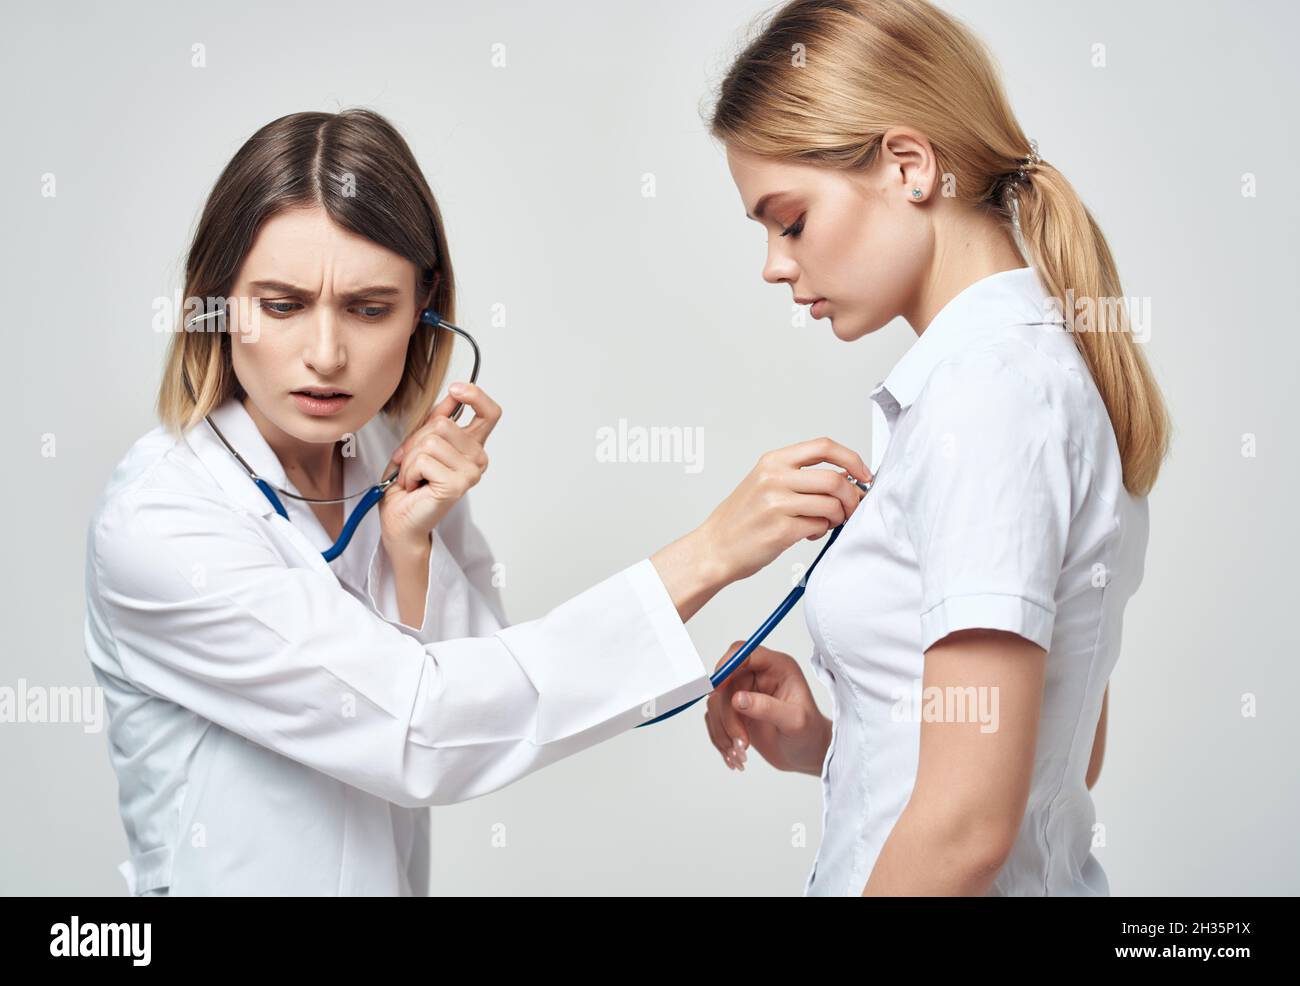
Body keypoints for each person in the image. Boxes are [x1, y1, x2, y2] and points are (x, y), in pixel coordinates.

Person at [83, 108, 873, 896]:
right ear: (215, 303)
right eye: (282, 306)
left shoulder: (392, 460)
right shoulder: (162, 523)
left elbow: (489, 694)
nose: (325, 355)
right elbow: (428, 731)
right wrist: (709, 554)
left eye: (368, 308)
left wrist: (409, 549)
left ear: (425, 306)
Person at [700, 0, 1171, 896]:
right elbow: (1059, 757)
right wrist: (833, 746)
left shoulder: (986, 396)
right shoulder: (1023, 373)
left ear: (909, 166)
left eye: (788, 220)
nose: (772, 262)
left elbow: (966, 831)